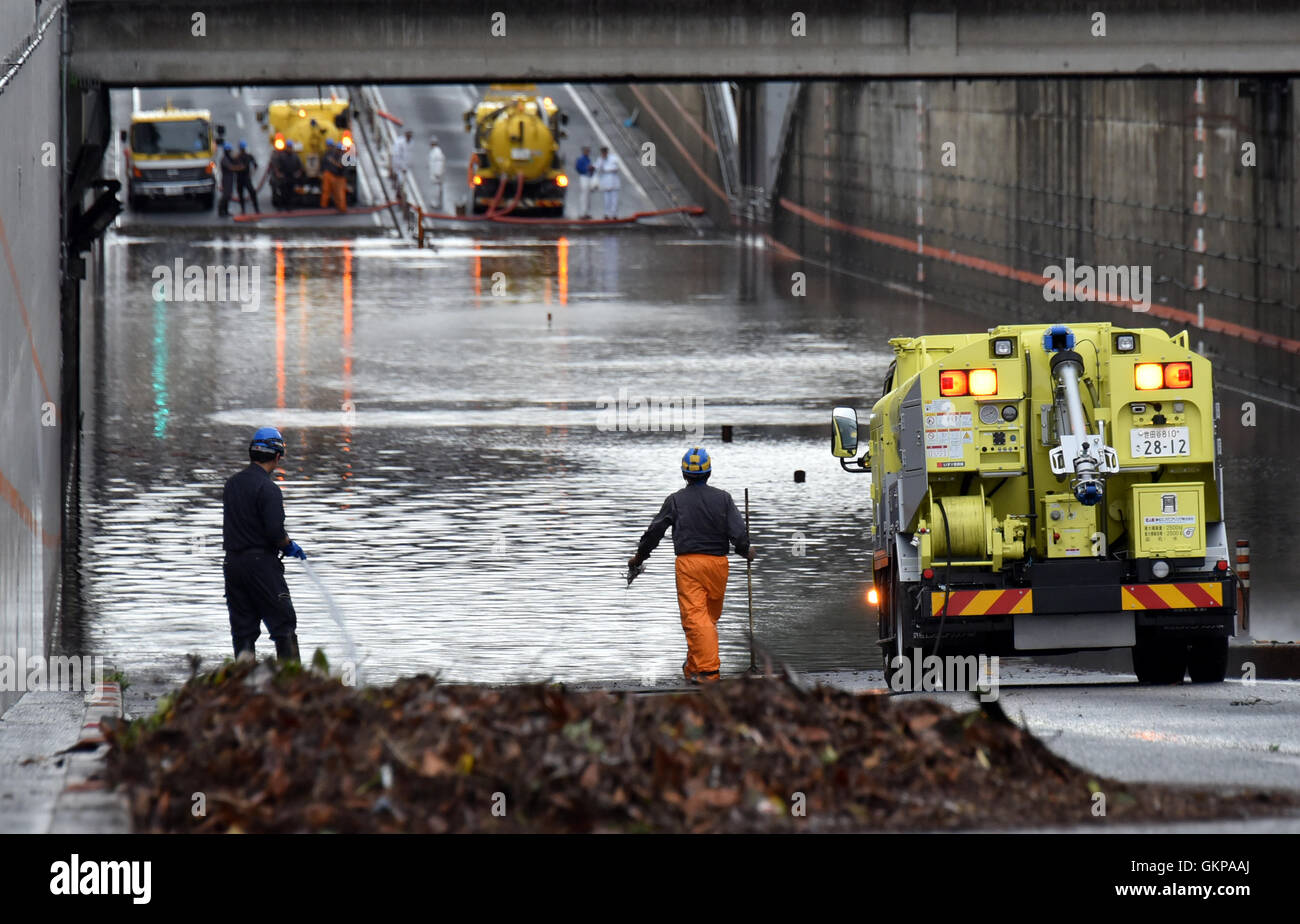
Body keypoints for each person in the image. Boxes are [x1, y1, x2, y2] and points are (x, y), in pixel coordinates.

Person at [628, 447, 754, 684]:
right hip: (718, 565)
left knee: (696, 618)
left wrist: (639, 558)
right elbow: (737, 532)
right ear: (709, 472)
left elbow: (654, 532)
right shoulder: (724, 498)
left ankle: (708, 673)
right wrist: (746, 549)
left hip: (689, 566)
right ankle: (694, 668)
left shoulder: (675, 500)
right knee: (706, 617)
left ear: (684, 474)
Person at [222, 427, 307, 663]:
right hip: (261, 566)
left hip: (233, 564)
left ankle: (243, 682)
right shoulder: (269, 489)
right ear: (278, 457)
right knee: (283, 625)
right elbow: (274, 532)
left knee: (243, 629)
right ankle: (293, 685)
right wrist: (288, 545)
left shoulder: (232, 484)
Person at [320, 138, 348, 212]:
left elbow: (341, 166)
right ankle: (338, 207)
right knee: (335, 194)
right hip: (335, 176)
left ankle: (342, 208)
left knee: (340, 194)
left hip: (340, 177)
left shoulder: (342, 156)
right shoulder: (334, 155)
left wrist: (332, 162)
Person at [233, 140, 259, 214]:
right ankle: (252, 210)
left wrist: (251, 173)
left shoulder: (239, 157)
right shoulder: (243, 157)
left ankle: (250, 210)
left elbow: (255, 165)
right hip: (242, 178)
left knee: (250, 193)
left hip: (243, 178)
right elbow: (255, 166)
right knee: (246, 194)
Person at [596, 145, 621, 220]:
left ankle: (614, 214)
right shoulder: (600, 159)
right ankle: (606, 214)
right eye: (602, 152)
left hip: (613, 180)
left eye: (604, 152)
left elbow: (616, 168)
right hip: (605, 181)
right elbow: (597, 168)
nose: (604, 153)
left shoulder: (613, 158)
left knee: (614, 199)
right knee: (606, 199)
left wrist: (607, 169)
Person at [390, 128, 413, 202]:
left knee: (402, 181)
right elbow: (396, 155)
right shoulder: (399, 142)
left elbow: (408, 154)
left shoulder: (411, 142)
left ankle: (399, 193)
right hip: (398, 164)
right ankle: (398, 194)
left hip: (405, 165)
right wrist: (401, 166)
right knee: (400, 180)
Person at [574, 146, 594, 219]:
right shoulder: (581, 159)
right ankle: (582, 213)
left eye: (588, 151)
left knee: (588, 196)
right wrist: (586, 169)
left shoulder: (588, 159)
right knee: (584, 195)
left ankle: (586, 212)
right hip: (583, 177)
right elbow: (578, 168)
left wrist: (592, 170)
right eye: (587, 151)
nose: (588, 152)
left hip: (588, 177)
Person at [427, 134, 446, 212]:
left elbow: (439, 163)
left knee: (437, 190)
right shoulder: (433, 151)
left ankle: (437, 203)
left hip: (436, 175)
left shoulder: (437, 152)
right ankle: (436, 203)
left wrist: (438, 173)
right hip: (434, 174)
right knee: (436, 189)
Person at [217, 142, 236, 216]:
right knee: (226, 195)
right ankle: (221, 210)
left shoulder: (229, 158)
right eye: (229, 151)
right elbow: (230, 167)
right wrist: (239, 168)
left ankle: (225, 210)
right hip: (226, 178)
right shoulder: (224, 159)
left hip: (230, 178)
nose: (229, 152)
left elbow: (234, 160)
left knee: (229, 195)